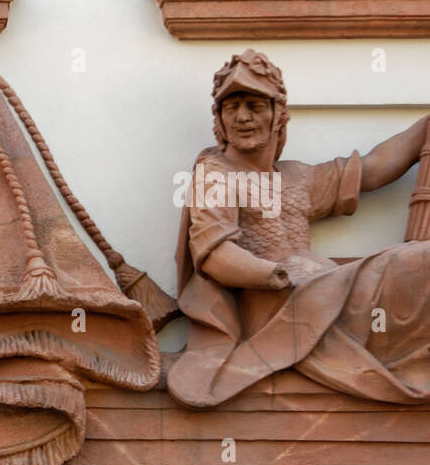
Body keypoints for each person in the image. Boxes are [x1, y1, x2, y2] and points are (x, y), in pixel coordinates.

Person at [170, 48, 430, 407]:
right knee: (416, 261)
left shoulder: (296, 177)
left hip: (325, 294)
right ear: (220, 119)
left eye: (254, 106)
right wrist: (274, 274)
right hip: (281, 307)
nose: (242, 117)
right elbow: (214, 254)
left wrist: (424, 129)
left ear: (278, 115)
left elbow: (372, 169)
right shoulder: (217, 175)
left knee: (420, 263)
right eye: (231, 107)